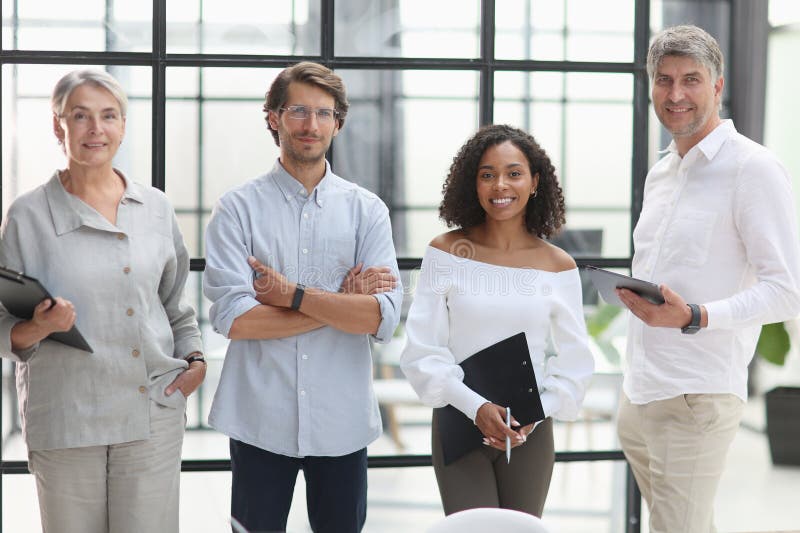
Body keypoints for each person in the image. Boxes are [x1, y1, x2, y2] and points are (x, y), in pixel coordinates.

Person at [0, 70, 205, 533]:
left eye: (108, 116)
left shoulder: (155, 207)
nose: (96, 129)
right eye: (81, 116)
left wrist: (194, 360)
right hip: (68, 418)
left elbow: (176, 306)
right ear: (59, 127)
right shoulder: (27, 215)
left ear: (123, 126)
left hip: (151, 411)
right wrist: (40, 326)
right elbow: (2, 323)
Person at [203, 61, 403, 533]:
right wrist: (338, 302)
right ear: (273, 117)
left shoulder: (367, 211)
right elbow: (236, 320)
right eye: (297, 111)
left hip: (342, 423)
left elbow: (380, 318)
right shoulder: (237, 209)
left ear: (338, 122)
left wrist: (288, 295)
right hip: (259, 419)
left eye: (323, 113)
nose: (310, 125)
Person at [616, 25, 800, 533]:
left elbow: (786, 291)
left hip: (696, 398)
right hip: (640, 391)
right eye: (664, 80)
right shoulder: (663, 172)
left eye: (691, 80)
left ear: (717, 87)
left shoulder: (753, 169)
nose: (676, 95)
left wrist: (696, 315)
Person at [400, 124, 595, 517]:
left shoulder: (559, 266)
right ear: (473, 184)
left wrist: (534, 417)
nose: (500, 185)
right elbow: (422, 351)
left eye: (513, 173)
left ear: (535, 181)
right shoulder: (446, 252)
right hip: (460, 421)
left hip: (530, 433)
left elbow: (576, 364)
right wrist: (477, 408)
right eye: (487, 174)